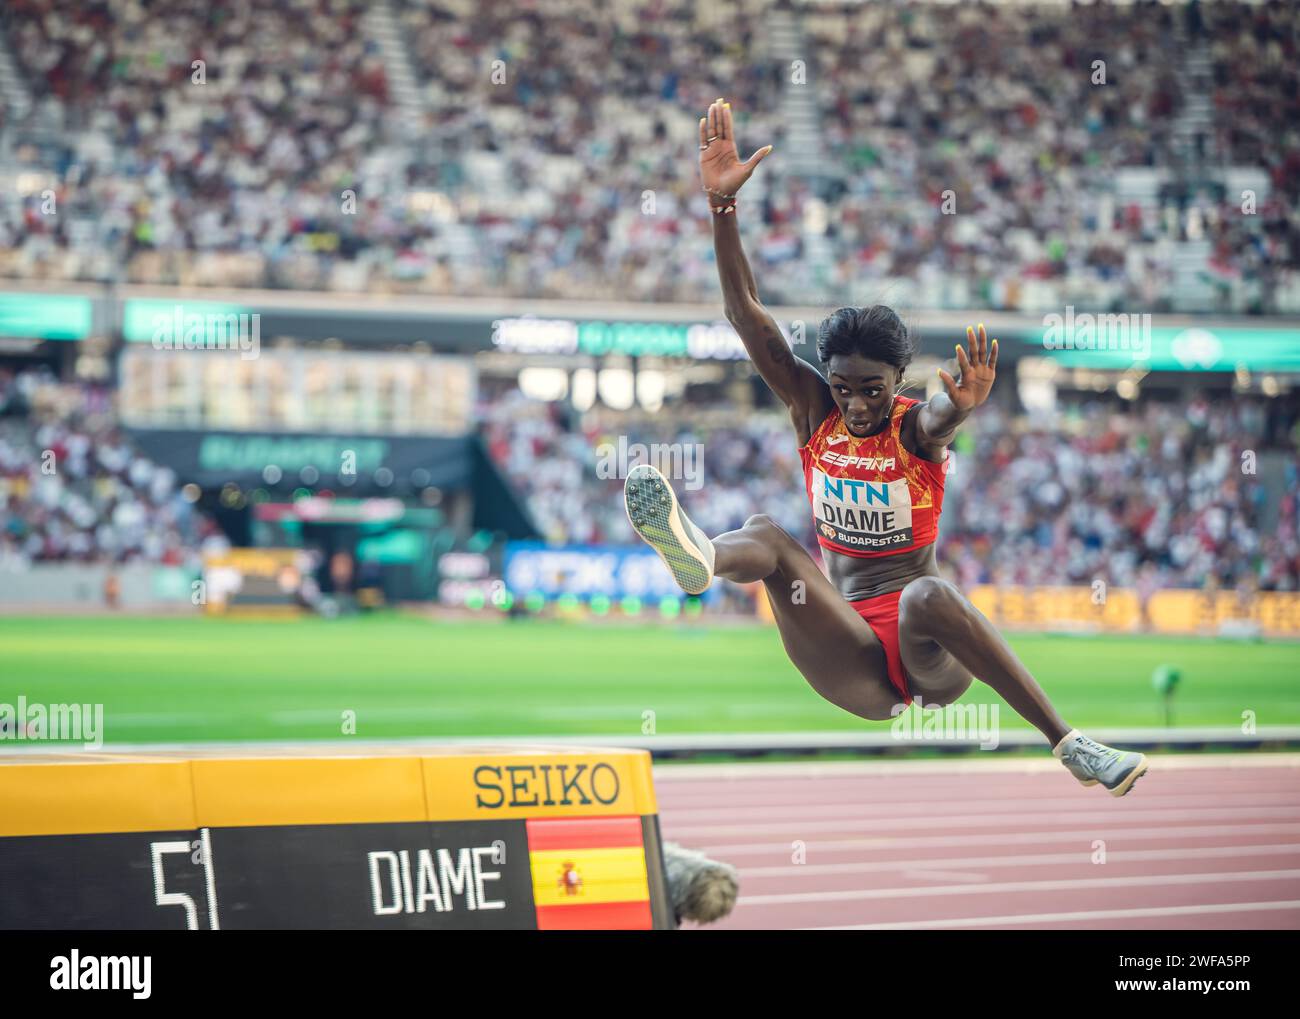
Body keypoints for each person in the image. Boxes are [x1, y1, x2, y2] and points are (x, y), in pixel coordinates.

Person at [624, 99, 1148, 796]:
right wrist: (722, 208)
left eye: (872, 389)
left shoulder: (912, 429)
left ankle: (1070, 743)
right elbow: (744, 313)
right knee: (767, 535)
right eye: (843, 388)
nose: (856, 404)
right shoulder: (813, 410)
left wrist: (960, 405)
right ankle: (701, 557)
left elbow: (938, 419)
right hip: (852, 656)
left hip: (928, 656)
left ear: (897, 381)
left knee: (926, 592)